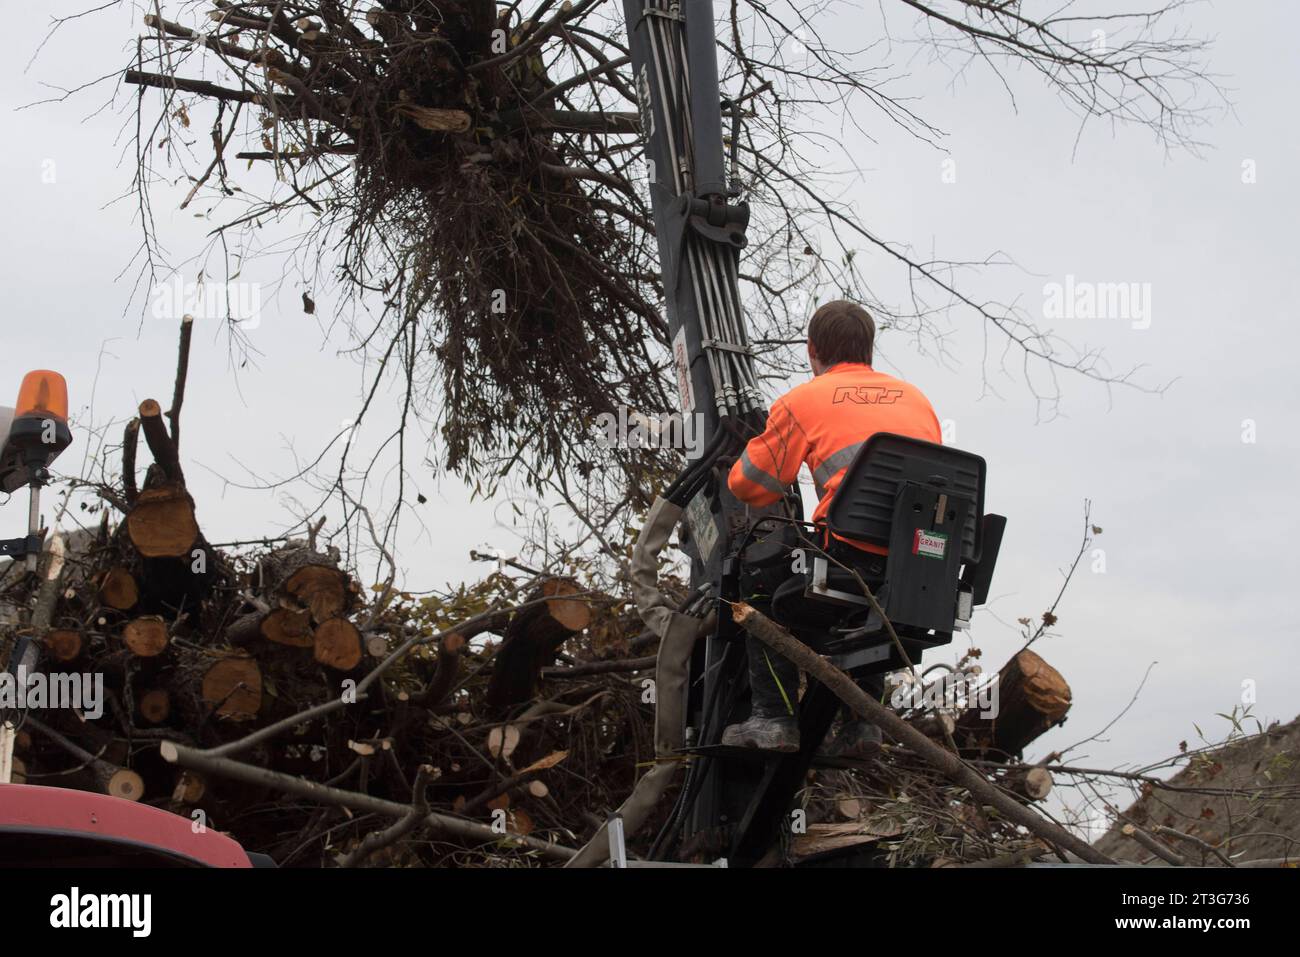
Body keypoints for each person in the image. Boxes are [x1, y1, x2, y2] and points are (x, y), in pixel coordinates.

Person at [721, 300, 942, 752]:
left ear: (812, 350)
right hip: (918, 565)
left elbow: (753, 487)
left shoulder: (805, 400)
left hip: (850, 555)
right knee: (871, 596)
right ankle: (862, 726)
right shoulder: (919, 399)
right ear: (869, 349)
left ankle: (772, 719)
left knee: (759, 569)